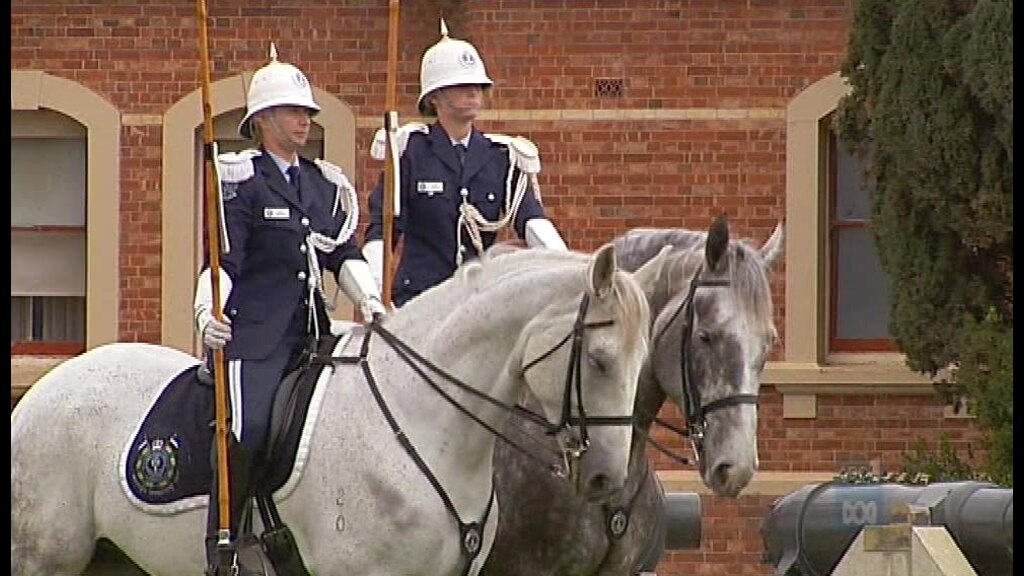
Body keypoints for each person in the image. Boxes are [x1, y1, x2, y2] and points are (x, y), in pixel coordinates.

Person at [192, 44, 385, 575]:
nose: (305, 121)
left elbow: (341, 252)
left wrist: (371, 301)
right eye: (295, 112)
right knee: (247, 426)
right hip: (255, 335)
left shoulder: (323, 183)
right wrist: (207, 310)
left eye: (308, 113)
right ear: (265, 119)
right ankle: (225, 543)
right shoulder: (241, 179)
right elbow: (225, 260)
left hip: (315, 332)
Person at [362, 19, 568, 307]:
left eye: (478, 86)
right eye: (461, 86)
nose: (473, 93)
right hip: (421, 299)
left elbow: (532, 221)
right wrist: (372, 295)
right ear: (434, 97)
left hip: (478, 300)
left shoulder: (502, 157)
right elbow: (383, 232)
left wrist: (570, 268)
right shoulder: (410, 152)